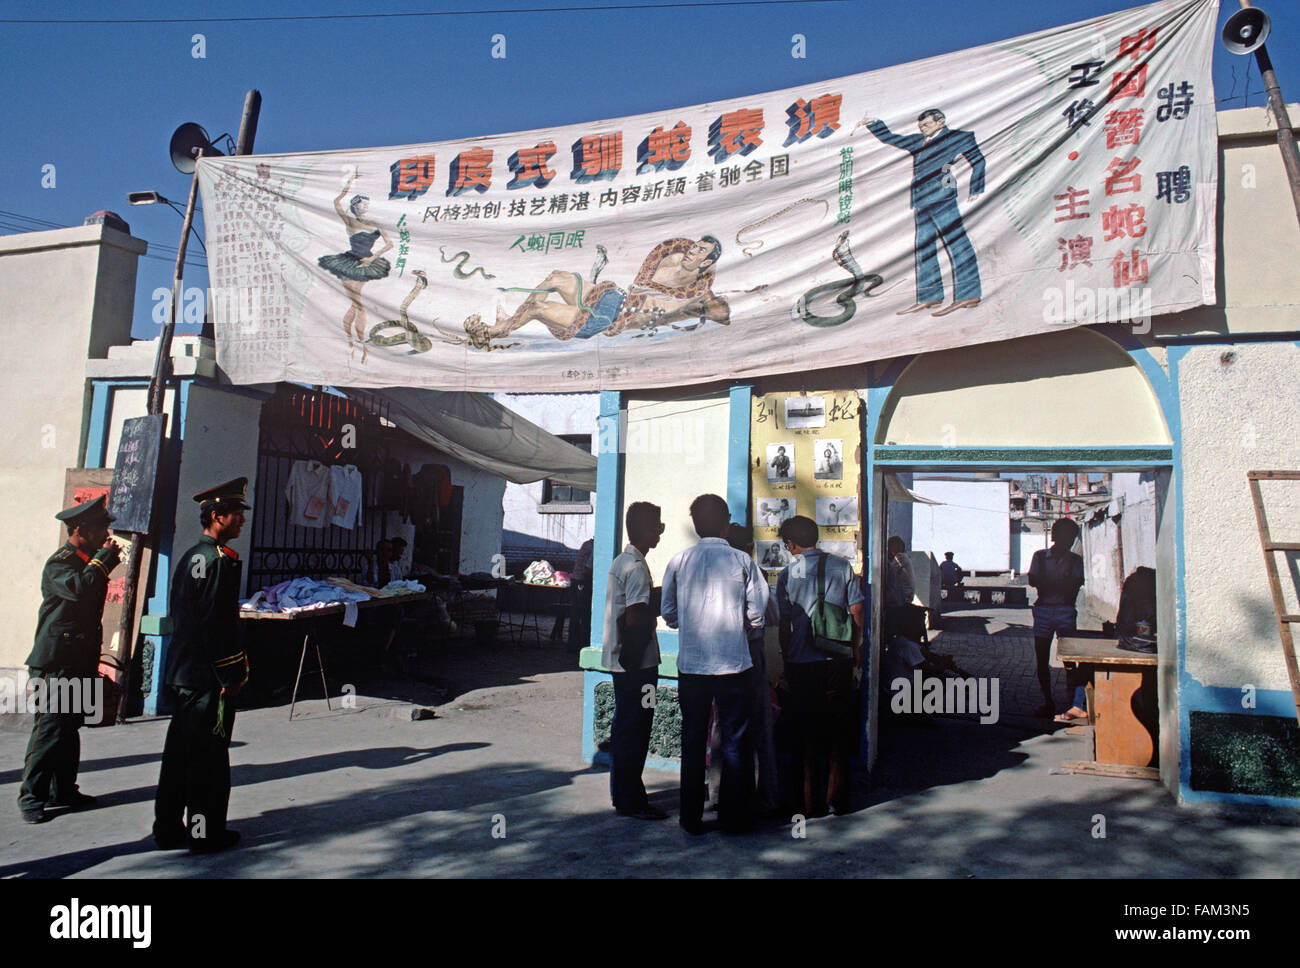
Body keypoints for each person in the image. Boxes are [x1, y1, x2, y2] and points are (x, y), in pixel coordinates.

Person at [153, 478, 252, 853]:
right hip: (207, 677)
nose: (241, 521)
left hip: (184, 673)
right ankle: (204, 833)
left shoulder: (193, 557)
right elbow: (215, 625)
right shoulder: (218, 562)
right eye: (236, 514)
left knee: (179, 755)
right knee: (209, 759)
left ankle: (167, 827)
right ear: (216, 516)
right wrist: (231, 673)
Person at [661, 494, 767, 834]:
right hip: (734, 665)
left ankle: (690, 818)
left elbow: (669, 613)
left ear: (695, 525)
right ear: (726, 523)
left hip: (692, 666)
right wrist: (741, 627)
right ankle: (733, 818)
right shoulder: (742, 561)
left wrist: (692, 624)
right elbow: (757, 614)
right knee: (735, 740)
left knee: (692, 740)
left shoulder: (679, 561)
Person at [17, 496, 121, 824]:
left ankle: (62, 790)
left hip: (79, 658)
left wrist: (99, 560)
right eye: (100, 528)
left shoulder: (87, 559)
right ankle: (31, 796)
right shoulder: (61, 563)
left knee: (70, 727)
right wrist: (104, 560)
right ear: (80, 530)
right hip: (57, 661)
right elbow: (79, 589)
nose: (105, 533)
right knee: (49, 730)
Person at [857, 108, 986, 317]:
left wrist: (976, 189)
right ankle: (929, 296)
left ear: (940, 121)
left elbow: (978, 161)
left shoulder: (958, 137)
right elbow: (892, 138)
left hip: (943, 197)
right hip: (921, 200)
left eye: (926, 125)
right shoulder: (918, 141)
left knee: (957, 244)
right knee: (924, 248)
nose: (922, 129)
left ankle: (968, 294)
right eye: (920, 126)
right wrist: (874, 124)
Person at [776, 515, 864, 817]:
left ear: (791, 543)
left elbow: (784, 624)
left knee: (805, 736)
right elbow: (857, 611)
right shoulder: (842, 566)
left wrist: (786, 658)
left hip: (802, 664)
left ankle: (807, 802)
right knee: (839, 734)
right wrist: (855, 652)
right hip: (837, 661)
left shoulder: (788, 575)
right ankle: (838, 799)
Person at [490, 236, 730, 340]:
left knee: (538, 309)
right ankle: (509, 321)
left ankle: (503, 329)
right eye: (696, 246)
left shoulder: (693, 297)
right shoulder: (671, 257)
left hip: (608, 317)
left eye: (701, 251)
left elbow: (720, 312)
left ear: (708, 262)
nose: (693, 251)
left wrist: (706, 307)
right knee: (556, 277)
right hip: (612, 296)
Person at [602, 503, 667, 820]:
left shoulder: (623, 561)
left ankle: (623, 791)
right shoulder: (637, 567)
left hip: (621, 662)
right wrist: (663, 600)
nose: (660, 532)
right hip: (638, 665)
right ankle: (631, 799)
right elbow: (636, 615)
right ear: (647, 531)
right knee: (637, 728)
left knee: (625, 726)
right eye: (658, 526)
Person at [317, 170, 394, 362]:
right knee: (358, 305)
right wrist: (348, 185)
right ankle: (358, 344)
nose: (365, 207)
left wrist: (373, 257)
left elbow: (389, 243)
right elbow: (336, 204)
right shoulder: (350, 222)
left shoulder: (374, 223)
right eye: (362, 204)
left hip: (366, 263)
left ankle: (353, 342)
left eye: (367, 204)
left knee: (357, 305)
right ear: (355, 206)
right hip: (349, 263)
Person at [1027, 518, 1086, 722]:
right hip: (1044, 611)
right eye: (1066, 537)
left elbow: (1075, 585)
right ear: (1055, 536)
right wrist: (1061, 584)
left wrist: (1050, 584)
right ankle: (1048, 702)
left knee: (1070, 660)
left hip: (1065, 611)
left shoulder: (1075, 560)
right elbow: (1033, 580)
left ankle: (1073, 703)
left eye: (1071, 538)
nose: (1069, 542)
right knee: (1042, 659)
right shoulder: (1040, 556)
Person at [570, 537, 595, 650]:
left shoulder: (586, 544)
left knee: (576, 614)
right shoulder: (594, 547)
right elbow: (588, 568)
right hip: (583, 582)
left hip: (576, 581)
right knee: (585, 614)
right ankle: (583, 644)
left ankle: (573, 644)